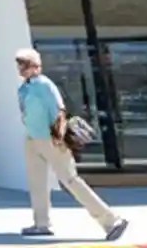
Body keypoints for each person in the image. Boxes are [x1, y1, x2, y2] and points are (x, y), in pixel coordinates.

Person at [16, 48, 129, 241]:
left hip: (50, 138)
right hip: (32, 139)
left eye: (25, 64)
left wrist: (59, 138)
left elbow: (59, 111)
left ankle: (111, 221)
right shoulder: (24, 88)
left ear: (36, 66)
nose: (22, 69)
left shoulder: (45, 85)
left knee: (70, 180)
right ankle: (41, 223)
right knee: (37, 182)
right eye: (20, 64)